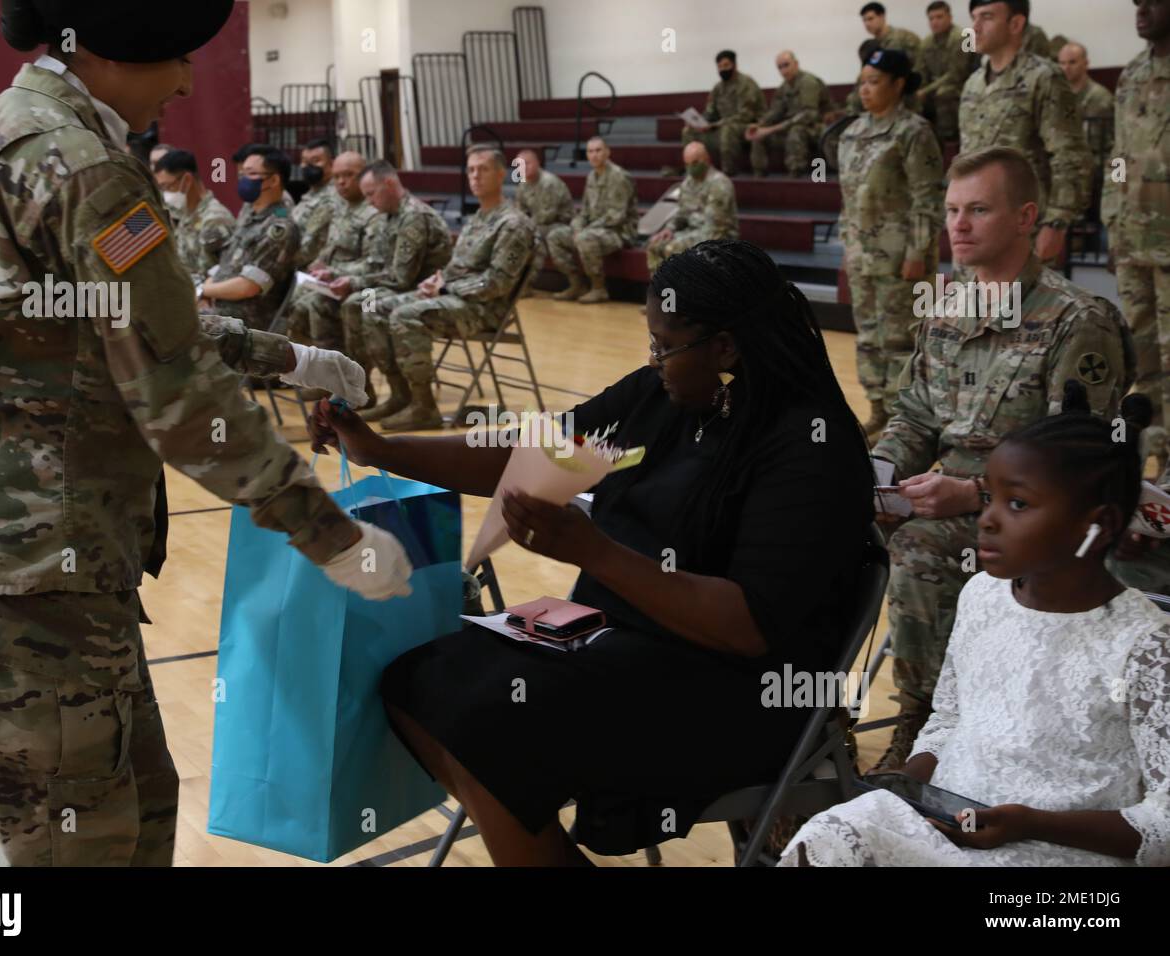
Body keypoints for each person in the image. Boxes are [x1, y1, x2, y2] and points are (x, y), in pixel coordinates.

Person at [0, 0, 412, 868]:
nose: (185, 80)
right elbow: (175, 393)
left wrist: (291, 359)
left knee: (138, 808)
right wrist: (333, 538)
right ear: (106, 50)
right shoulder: (87, 169)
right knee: (75, 840)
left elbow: (134, 322)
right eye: (172, 57)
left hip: (27, 553)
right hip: (26, 563)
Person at [308, 239, 876, 866]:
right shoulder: (661, 397)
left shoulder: (808, 448)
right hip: (624, 638)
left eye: (666, 345)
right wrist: (380, 447)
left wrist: (594, 552)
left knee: (486, 722)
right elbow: (532, 451)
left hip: (738, 689)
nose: (654, 359)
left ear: (726, 347)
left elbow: (746, 627)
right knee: (415, 681)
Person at [783, 389, 1170, 867]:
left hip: (1062, 849)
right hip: (951, 816)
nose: (987, 520)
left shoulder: (1147, 646)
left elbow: (1164, 825)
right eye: (989, 498)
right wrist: (907, 786)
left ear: (1098, 523)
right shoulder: (982, 595)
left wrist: (1028, 822)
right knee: (825, 838)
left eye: (1018, 504)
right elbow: (948, 720)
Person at [870, 146, 1133, 772]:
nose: (957, 226)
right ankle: (814, 728)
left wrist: (971, 495)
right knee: (813, 528)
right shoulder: (947, 305)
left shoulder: (1078, 320)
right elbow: (914, 415)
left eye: (978, 210)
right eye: (952, 210)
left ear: (1026, 218)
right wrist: (878, 476)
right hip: (941, 496)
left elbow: (1080, 470)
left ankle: (927, 724)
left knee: (921, 549)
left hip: (1029, 513)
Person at [360, 146, 535, 433]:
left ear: (502, 174)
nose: (475, 176)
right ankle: (400, 394)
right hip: (455, 298)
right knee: (372, 307)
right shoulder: (477, 218)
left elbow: (496, 284)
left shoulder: (513, 223)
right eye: (470, 170)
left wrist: (446, 288)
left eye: (483, 169)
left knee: (404, 315)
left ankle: (424, 406)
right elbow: (456, 269)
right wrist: (437, 281)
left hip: (483, 309)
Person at [838, 49, 944, 441]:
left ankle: (906, 422)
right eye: (861, 82)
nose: (865, 89)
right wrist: (848, 244)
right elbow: (846, 198)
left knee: (903, 340)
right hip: (863, 257)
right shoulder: (850, 133)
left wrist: (918, 251)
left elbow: (928, 197)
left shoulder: (914, 132)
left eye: (874, 82)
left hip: (902, 258)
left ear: (898, 85)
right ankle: (878, 412)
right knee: (868, 338)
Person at [959, 0, 1091, 265]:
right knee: (976, 306)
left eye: (986, 17)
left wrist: (1057, 222)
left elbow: (1069, 155)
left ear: (1016, 24)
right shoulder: (973, 84)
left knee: (1022, 306)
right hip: (974, 229)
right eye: (973, 18)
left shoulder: (1043, 77)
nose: (975, 27)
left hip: (1022, 228)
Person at [333, 160, 452, 421]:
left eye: (371, 194)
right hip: (401, 288)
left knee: (367, 304)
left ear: (389, 184)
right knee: (354, 304)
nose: (369, 202)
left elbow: (401, 277)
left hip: (423, 291)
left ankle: (404, 394)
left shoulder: (413, 217)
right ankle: (367, 389)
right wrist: (340, 275)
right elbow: (377, 263)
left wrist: (354, 283)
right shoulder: (390, 215)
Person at [1103, 0, 1170, 428]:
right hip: (1133, 242)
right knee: (1144, 359)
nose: (1141, 9)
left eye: (1152, 2)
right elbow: (1119, 157)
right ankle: (1157, 453)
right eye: (1136, 3)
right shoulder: (1131, 74)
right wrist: (1113, 223)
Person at [281, 150, 379, 356]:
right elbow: (329, 247)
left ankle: (336, 371)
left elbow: (375, 264)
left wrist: (334, 271)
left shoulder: (374, 212)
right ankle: (307, 369)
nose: (342, 182)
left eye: (349, 175)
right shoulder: (339, 208)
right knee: (293, 301)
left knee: (314, 305)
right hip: (333, 281)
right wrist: (319, 265)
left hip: (368, 287)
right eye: (337, 177)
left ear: (366, 174)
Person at [199, 145, 299, 331]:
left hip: (244, 324)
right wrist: (204, 294)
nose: (243, 180)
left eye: (251, 174)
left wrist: (202, 291)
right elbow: (226, 264)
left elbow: (248, 287)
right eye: (242, 174)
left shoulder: (280, 228)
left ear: (274, 180)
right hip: (219, 311)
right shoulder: (250, 216)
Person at [546, 137, 638, 304]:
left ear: (607, 152)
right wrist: (576, 226)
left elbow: (616, 216)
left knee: (585, 238)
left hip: (619, 232)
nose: (594, 155)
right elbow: (585, 211)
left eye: (598, 150)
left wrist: (584, 230)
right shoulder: (591, 177)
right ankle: (576, 284)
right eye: (590, 151)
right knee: (555, 236)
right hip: (594, 229)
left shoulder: (618, 177)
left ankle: (599, 288)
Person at [645, 141, 738, 273]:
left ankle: (682, 290)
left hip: (718, 236)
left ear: (706, 159)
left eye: (695, 163)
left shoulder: (720, 184)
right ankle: (662, 290)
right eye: (687, 164)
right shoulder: (688, 182)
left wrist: (681, 239)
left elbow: (716, 228)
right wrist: (669, 229)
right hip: (692, 231)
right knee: (654, 246)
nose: (691, 168)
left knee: (672, 248)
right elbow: (682, 212)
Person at [153, 148, 235, 284]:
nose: (165, 194)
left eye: (168, 186)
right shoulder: (184, 213)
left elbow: (215, 275)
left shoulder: (215, 219)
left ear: (187, 180)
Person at [746, 52, 833, 178]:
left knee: (796, 131)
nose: (783, 70)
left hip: (818, 126)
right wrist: (760, 125)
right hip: (792, 125)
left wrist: (771, 129)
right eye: (779, 67)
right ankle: (759, 176)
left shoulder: (808, 82)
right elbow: (775, 112)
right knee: (759, 135)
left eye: (786, 65)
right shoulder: (784, 87)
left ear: (796, 64)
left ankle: (795, 175)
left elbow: (808, 115)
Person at [681, 49, 765, 177]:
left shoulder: (746, 84)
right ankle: (694, 171)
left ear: (734, 66)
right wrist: (697, 122)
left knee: (727, 129)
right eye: (719, 67)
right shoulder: (718, 88)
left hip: (747, 127)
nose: (722, 69)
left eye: (726, 65)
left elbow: (746, 115)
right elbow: (710, 112)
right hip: (723, 127)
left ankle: (728, 174)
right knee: (688, 131)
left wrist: (716, 125)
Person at [514, 147, 574, 297]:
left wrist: (525, 228)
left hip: (561, 224)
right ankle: (521, 283)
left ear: (537, 163)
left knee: (532, 238)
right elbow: (519, 212)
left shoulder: (548, 182)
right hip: (539, 225)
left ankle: (576, 283)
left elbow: (545, 216)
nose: (523, 168)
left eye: (527, 163)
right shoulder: (523, 183)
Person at [914, 1, 978, 143]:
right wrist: (917, 90)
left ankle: (949, 140)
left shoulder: (964, 38)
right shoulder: (926, 43)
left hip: (962, 85)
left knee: (944, 92)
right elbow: (920, 72)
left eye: (939, 17)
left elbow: (956, 74)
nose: (935, 22)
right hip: (934, 88)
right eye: (931, 18)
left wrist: (925, 91)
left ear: (950, 17)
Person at [1058, 42, 1115, 170]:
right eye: (1062, 63)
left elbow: (1099, 145)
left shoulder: (1099, 98)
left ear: (1085, 64)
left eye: (1072, 62)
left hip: (1098, 166)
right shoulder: (1059, 96)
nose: (1066, 68)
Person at [291, 137, 338, 268]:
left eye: (316, 161)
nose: (308, 167)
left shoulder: (331, 197)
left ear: (331, 164)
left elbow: (308, 248)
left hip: (312, 270)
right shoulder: (310, 195)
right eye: (304, 161)